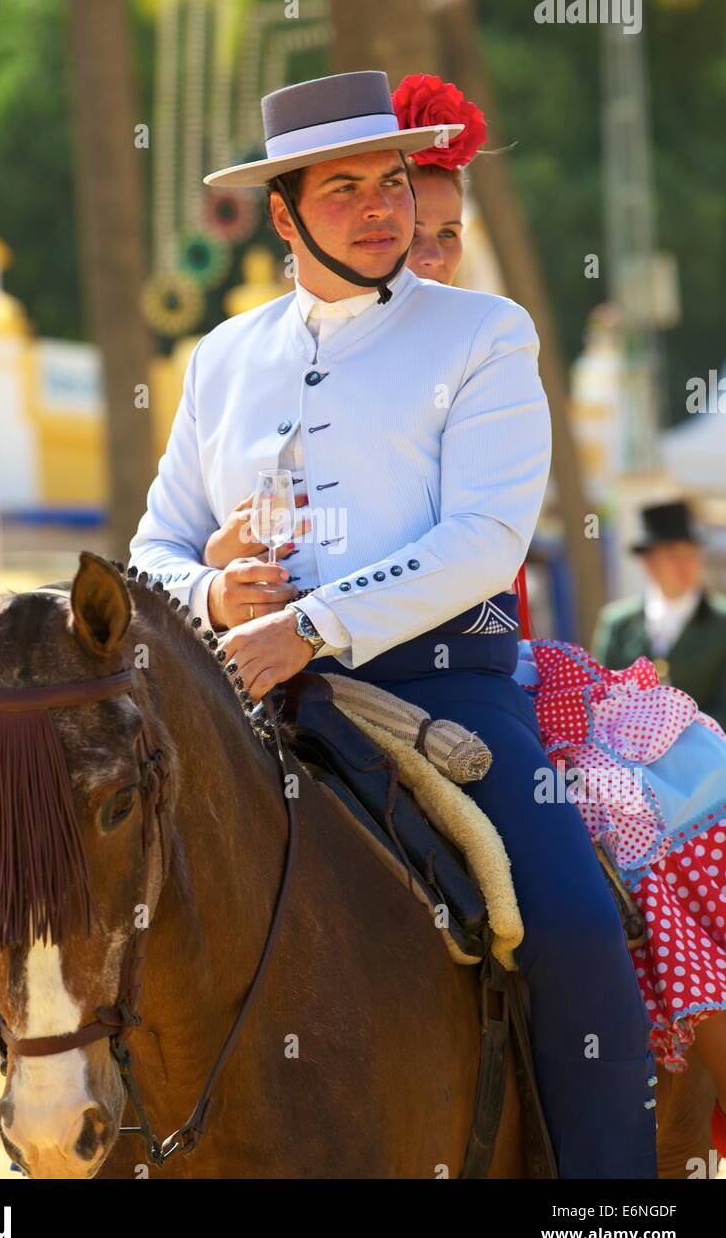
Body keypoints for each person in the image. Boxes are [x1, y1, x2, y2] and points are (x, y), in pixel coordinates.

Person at [129, 68, 659, 1177]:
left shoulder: (482, 332)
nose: (381, 209)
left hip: (442, 694)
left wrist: (309, 626)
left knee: (567, 923)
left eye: (390, 184)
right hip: (240, 705)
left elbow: (480, 539)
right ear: (281, 213)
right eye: (342, 190)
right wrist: (214, 597)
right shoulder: (220, 359)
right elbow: (152, 552)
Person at [592, 499, 726, 725]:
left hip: (706, 753)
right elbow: (600, 695)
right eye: (673, 556)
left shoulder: (721, 621)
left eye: (691, 555)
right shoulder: (617, 622)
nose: (685, 566)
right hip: (628, 753)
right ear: (649, 563)